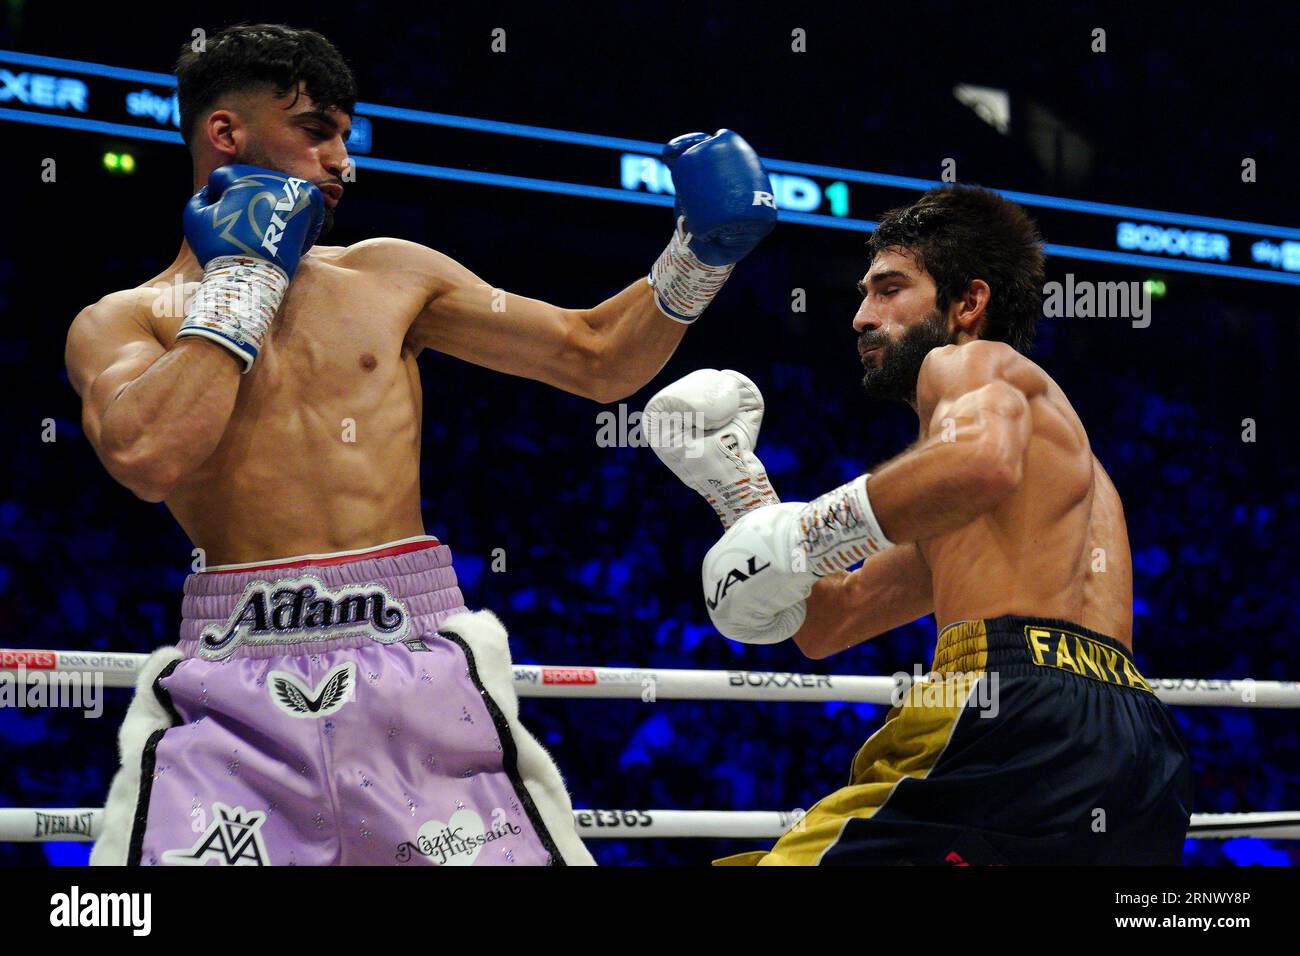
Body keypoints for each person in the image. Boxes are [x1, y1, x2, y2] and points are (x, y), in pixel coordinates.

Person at [66, 22, 775, 866]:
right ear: (225, 134)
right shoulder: (125, 319)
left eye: (345, 135)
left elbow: (594, 358)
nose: (342, 160)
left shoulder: (390, 274)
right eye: (315, 130)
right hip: (232, 679)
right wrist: (242, 284)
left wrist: (699, 255)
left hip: (414, 653)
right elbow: (150, 457)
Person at [644, 185, 1193, 865]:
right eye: (864, 293)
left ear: (968, 304)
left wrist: (804, 532)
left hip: (1010, 711)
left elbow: (978, 460)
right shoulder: (1049, 481)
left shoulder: (973, 362)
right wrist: (737, 487)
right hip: (1133, 746)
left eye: (888, 290)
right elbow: (828, 623)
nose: (859, 317)